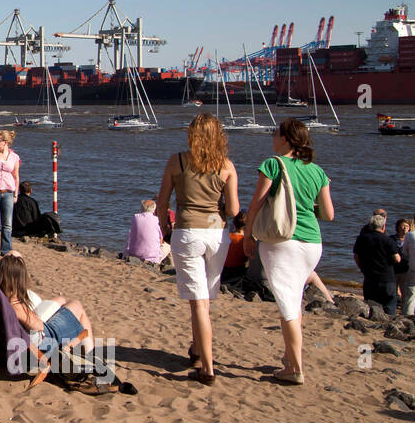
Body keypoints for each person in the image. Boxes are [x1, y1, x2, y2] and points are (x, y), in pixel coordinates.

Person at [246, 118, 334, 385]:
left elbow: (257, 204)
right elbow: (328, 214)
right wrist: (305, 206)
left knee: (287, 305)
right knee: (293, 301)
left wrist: (248, 235)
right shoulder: (318, 171)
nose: (272, 137)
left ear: (285, 139)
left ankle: (295, 368)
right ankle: (289, 357)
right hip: (312, 244)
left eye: (275, 133)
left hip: (282, 242)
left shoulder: (273, 164)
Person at [155, 113, 239, 385]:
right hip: (217, 235)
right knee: (204, 300)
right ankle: (196, 348)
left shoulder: (177, 161)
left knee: (198, 301)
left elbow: (162, 202)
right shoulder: (226, 166)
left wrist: (164, 228)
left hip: (188, 232)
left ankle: (207, 368)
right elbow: (234, 210)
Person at [0, 252, 94, 362]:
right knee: (77, 306)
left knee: (62, 304)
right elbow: (38, 326)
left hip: (7, 343)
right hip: (41, 343)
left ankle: (71, 349)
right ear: (18, 280)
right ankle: (91, 359)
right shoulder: (14, 304)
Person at [354, 214, 400, 317]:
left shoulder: (362, 239)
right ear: (383, 227)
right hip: (387, 277)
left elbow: (356, 256)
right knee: (390, 305)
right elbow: (397, 258)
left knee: (371, 304)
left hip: (369, 276)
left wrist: (361, 268)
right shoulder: (388, 240)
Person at [123, 198, 169, 264]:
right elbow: (161, 240)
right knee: (169, 244)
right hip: (152, 258)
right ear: (154, 209)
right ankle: (168, 266)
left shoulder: (135, 217)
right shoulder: (156, 220)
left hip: (133, 254)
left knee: (131, 234)